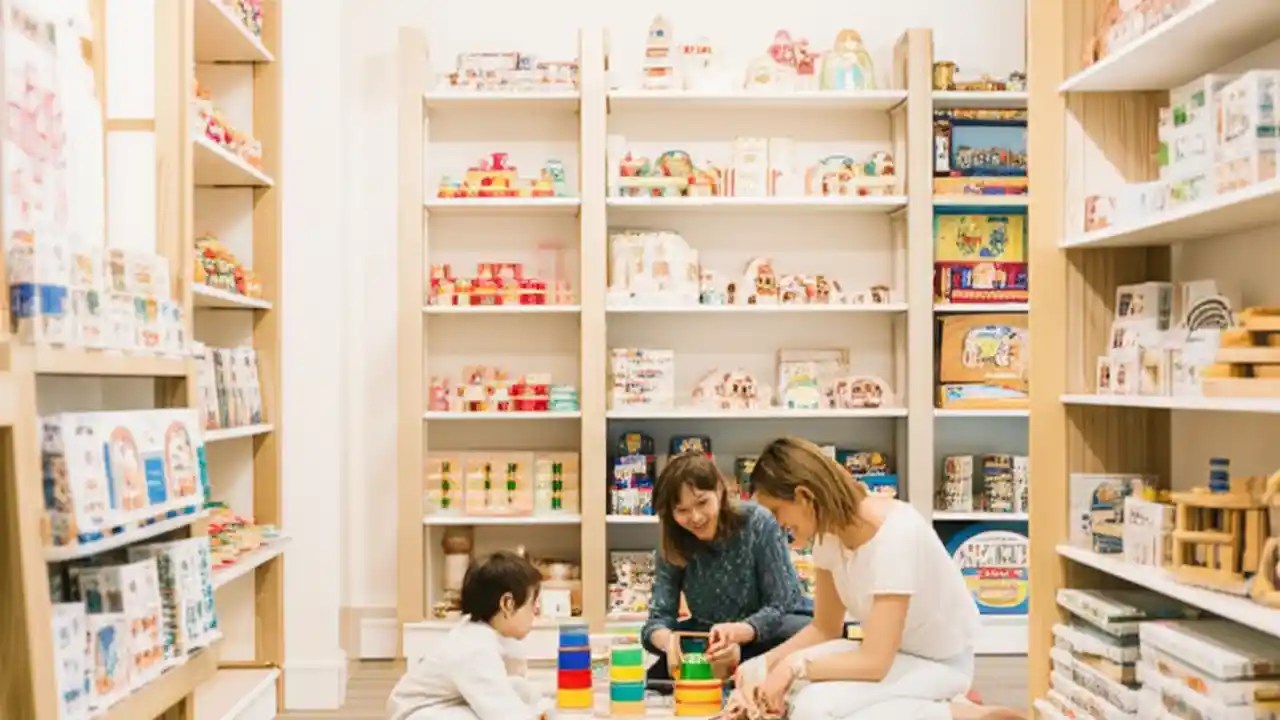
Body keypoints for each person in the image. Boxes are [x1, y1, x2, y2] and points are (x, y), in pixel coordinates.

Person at [733, 437, 1024, 720]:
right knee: (789, 691)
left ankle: (957, 714)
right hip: (890, 655)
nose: (776, 522)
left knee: (813, 709)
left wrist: (792, 667)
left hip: (939, 663)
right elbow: (824, 629)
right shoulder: (828, 536)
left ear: (803, 496)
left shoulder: (895, 534)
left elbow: (875, 663)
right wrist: (758, 668)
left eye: (776, 510)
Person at [642, 451, 813, 686]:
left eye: (702, 502)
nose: (695, 517)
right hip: (713, 639)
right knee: (656, 678)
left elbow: (781, 605)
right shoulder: (674, 542)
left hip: (770, 633)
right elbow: (658, 620)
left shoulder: (758, 522)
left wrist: (742, 633)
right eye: (682, 510)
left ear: (720, 492)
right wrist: (668, 641)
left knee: (798, 632)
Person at [387, 551, 549, 720]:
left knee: (514, 690)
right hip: (419, 713)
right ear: (507, 604)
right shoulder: (474, 649)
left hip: (442, 704)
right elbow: (503, 713)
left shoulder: (483, 635)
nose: (536, 610)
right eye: (532, 603)